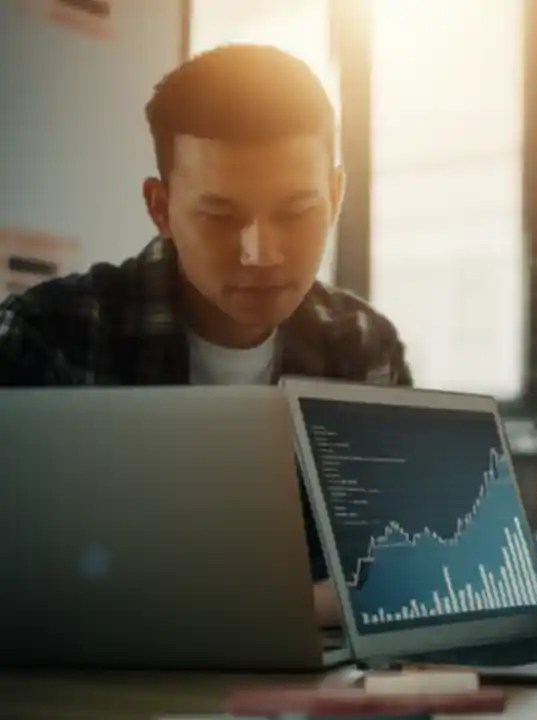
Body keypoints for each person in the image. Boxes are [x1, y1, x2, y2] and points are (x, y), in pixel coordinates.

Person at [0, 44, 412, 625]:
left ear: (337, 197)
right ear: (161, 207)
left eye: (296, 213)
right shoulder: (53, 333)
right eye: (220, 217)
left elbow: (406, 576)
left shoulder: (363, 346)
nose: (260, 254)